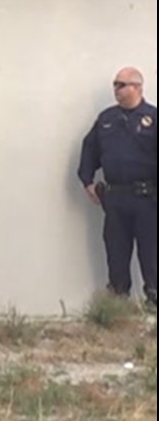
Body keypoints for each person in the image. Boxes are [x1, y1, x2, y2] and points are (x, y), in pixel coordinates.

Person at [77, 66, 157, 307]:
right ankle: (118, 303)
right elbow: (90, 148)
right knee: (116, 252)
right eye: (114, 84)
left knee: (151, 253)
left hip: (147, 199)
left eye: (121, 85)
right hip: (115, 198)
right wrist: (87, 180)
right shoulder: (107, 119)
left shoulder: (153, 118)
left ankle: (154, 300)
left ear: (137, 87)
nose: (116, 89)